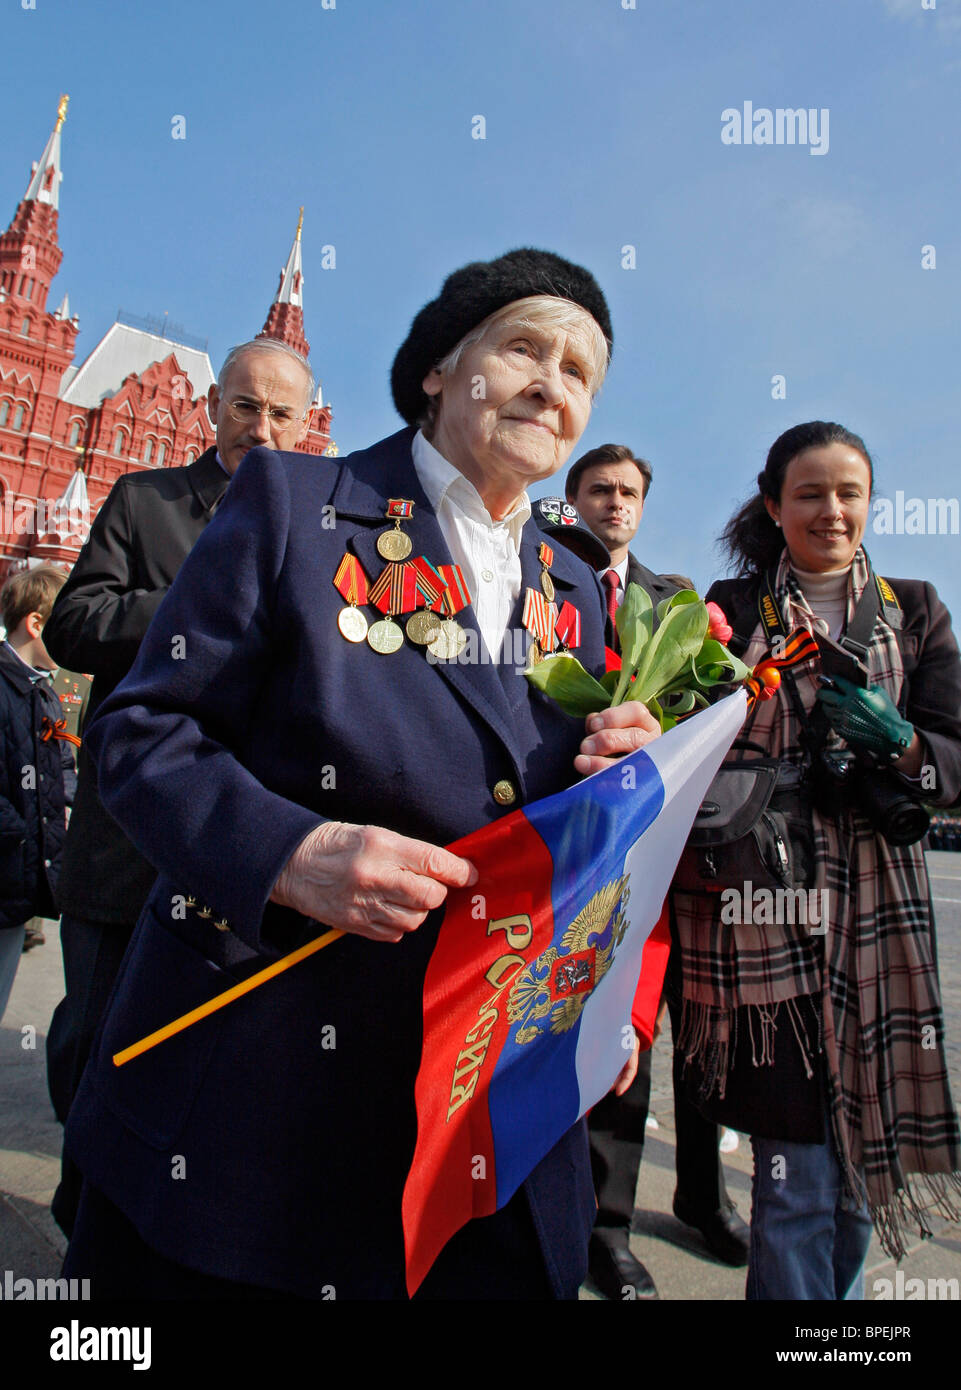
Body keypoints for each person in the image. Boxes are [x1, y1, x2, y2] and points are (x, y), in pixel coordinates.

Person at [60, 248, 661, 1300]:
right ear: (437, 368)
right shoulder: (295, 502)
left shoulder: (572, 579)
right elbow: (142, 732)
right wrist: (288, 851)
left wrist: (618, 771)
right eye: (526, 346)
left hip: (482, 1097)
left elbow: (544, 809)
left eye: (580, 373)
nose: (551, 384)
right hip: (264, 1078)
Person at [672, 420, 961, 1300]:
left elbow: (953, 761)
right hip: (765, 909)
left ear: (870, 503)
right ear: (773, 504)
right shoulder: (725, 606)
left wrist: (902, 742)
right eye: (808, 493)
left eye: (848, 493)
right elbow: (682, 734)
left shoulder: (914, 607)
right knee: (793, 1174)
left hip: (879, 915)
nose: (830, 511)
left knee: (861, 1178)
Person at [43, 338, 315, 1233]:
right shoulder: (146, 500)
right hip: (128, 836)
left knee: (186, 1052)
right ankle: (81, 1192)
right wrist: (191, 604)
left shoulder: (314, 530)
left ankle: (132, 1213)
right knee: (90, 1034)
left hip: (240, 842)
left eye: (282, 413)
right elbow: (75, 623)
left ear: (306, 425)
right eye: (246, 407)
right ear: (211, 408)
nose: (261, 428)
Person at [565, 443, 749, 1299]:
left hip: (681, 845)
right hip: (587, 847)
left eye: (627, 492)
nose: (613, 504)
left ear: (643, 503)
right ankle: (607, 1225)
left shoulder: (675, 599)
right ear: (571, 500)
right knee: (618, 1034)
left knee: (704, 1033)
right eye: (597, 490)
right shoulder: (544, 584)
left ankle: (705, 1200)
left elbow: (717, 708)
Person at [0, 565, 76, 1019]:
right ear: (36, 623)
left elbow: (62, 771)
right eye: (64, 626)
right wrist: (22, 834)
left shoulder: (44, 695)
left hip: (17, 880)